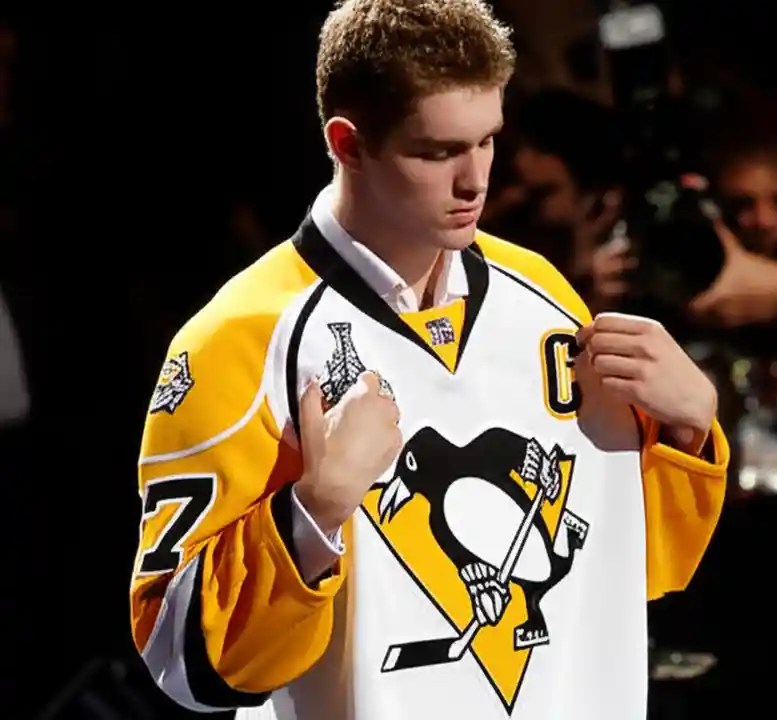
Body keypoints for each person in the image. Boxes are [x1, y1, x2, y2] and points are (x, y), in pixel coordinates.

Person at [127, 2, 728, 719]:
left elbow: (634, 571)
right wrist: (311, 514)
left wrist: (688, 432)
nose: (475, 180)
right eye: (438, 151)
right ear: (347, 144)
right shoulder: (240, 338)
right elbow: (179, 663)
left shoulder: (546, 300)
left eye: (487, 141)